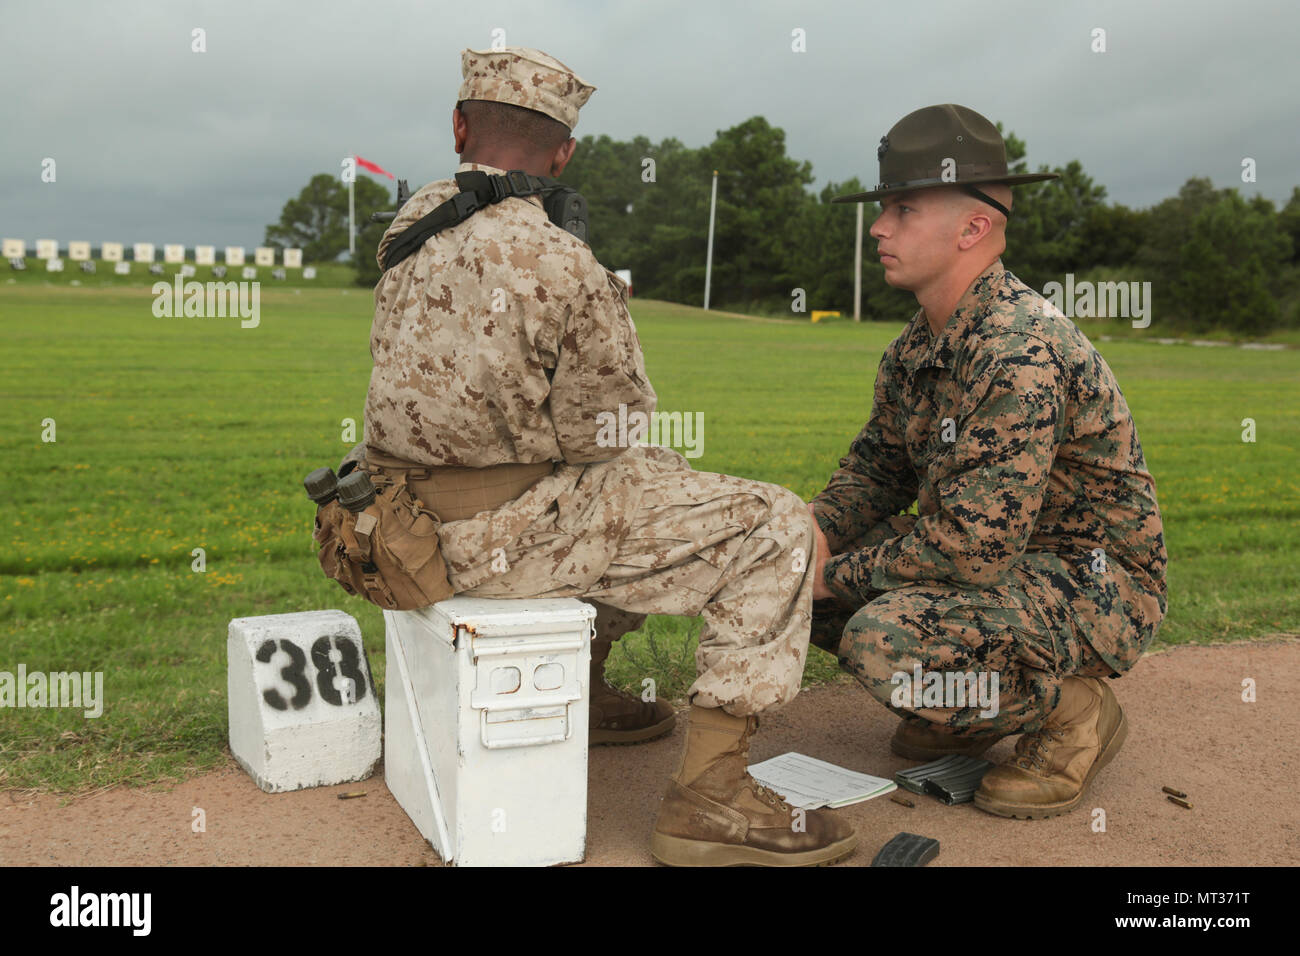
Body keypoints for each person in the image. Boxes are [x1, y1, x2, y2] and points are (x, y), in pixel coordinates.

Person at [344, 46, 857, 865]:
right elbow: (602, 430)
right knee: (774, 524)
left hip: (392, 519)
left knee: (657, 477)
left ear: (458, 127)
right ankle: (712, 799)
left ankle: (577, 686)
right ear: (563, 153)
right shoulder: (564, 261)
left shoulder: (411, 227)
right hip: (495, 541)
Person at [809, 104, 1168, 818]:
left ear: (974, 228)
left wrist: (827, 576)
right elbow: (876, 471)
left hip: (1092, 583)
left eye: (903, 210)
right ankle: (967, 710)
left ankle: (1071, 714)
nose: (879, 227)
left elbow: (971, 551)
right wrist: (811, 535)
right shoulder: (919, 343)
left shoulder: (1018, 350)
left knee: (880, 638)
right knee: (801, 573)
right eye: (884, 209)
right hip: (1007, 568)